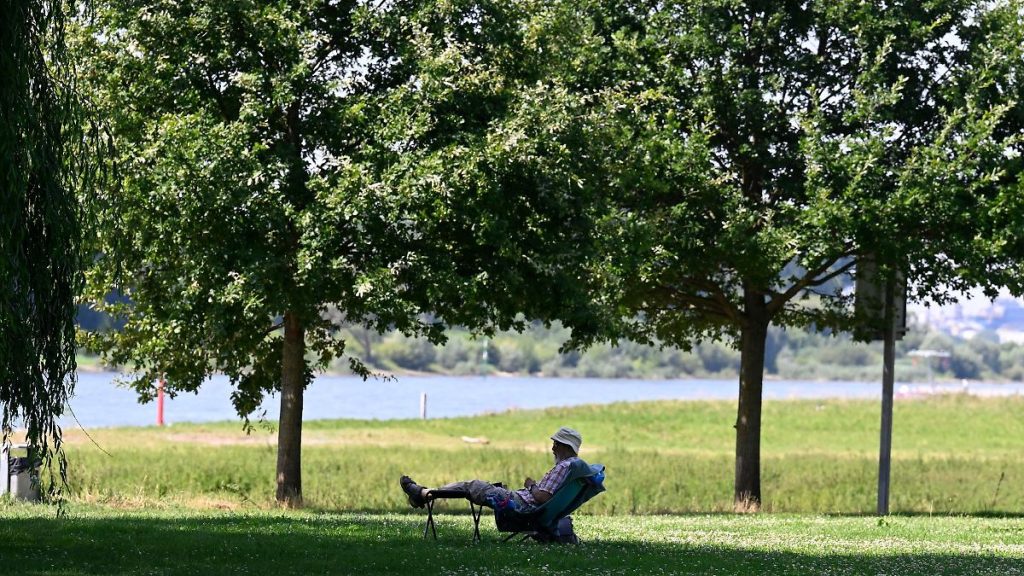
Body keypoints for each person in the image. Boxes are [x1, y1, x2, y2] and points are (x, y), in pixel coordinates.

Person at [400, 426, 583, 513]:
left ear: (566, 447)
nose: (552, 449)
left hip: (519, 503)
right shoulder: (572, 467)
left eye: (556, 445)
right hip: (518, 500)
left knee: (471, 485)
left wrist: (531, 485)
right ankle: (423, 494)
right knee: (481, 486)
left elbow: (542, 497)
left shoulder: (563, 467)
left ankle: (423, 494)